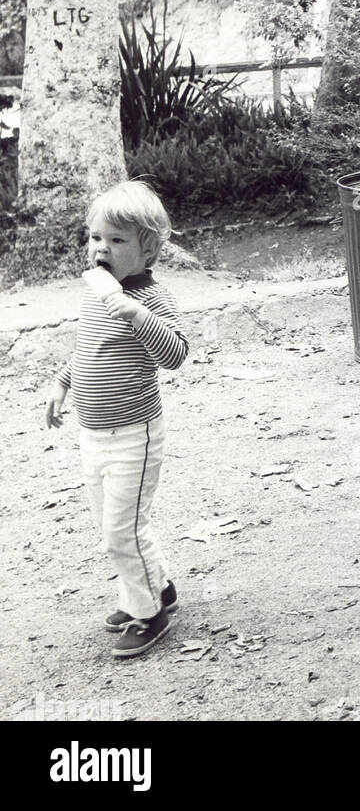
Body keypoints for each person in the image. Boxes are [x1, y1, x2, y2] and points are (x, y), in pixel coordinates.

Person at [45, 181, 189, 657]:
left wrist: (136, 314)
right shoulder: (95, 296)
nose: (101, 249)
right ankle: (155, 588)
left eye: (117, 240)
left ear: (148, 250)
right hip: (92, 432)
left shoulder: (150, 299)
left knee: (121, 530)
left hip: (134, 435)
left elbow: (175, 354)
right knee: (114, 523)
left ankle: (151, 615)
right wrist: (63, 383)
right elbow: (90, 348)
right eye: (95, 238)